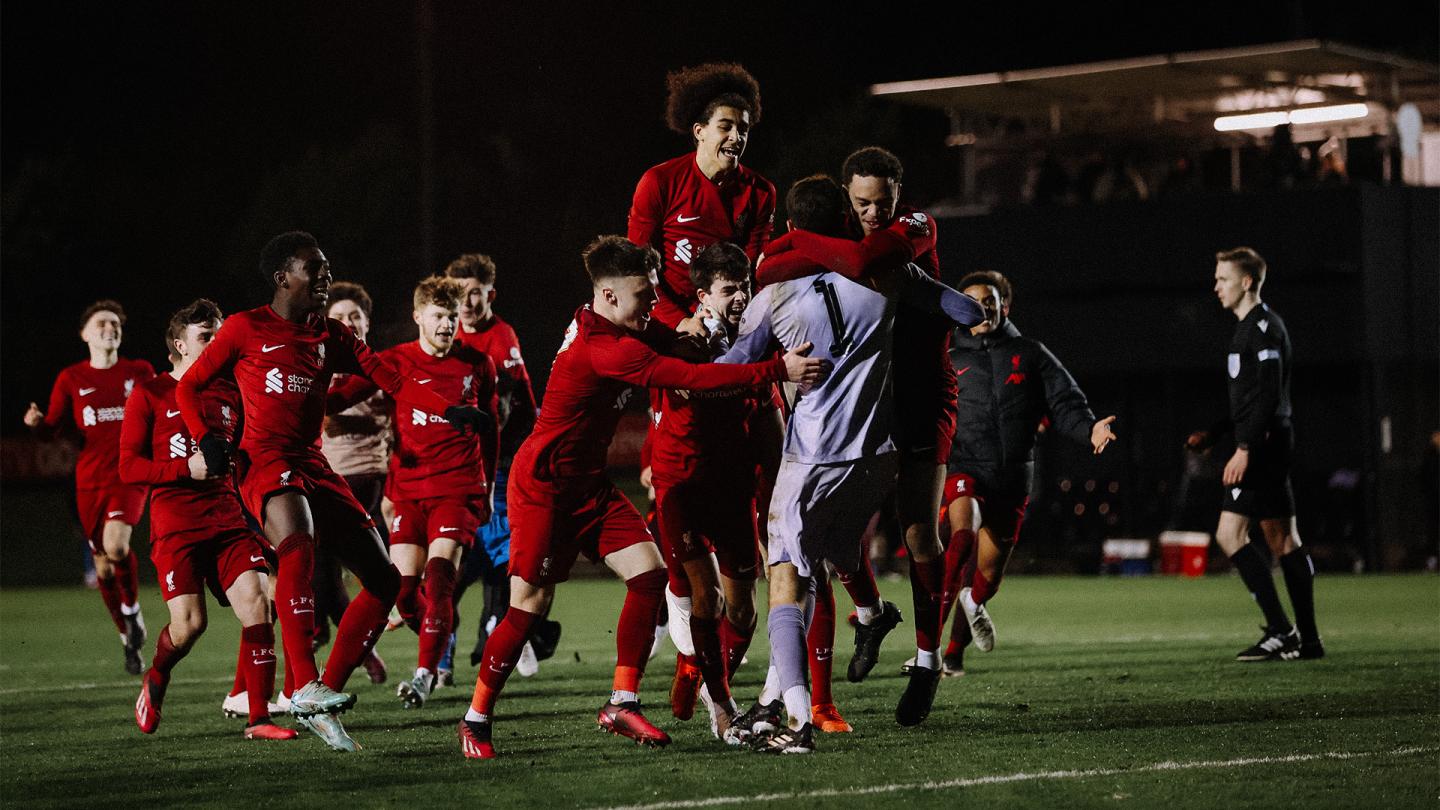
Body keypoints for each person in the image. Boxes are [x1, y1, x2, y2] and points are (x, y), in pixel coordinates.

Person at [457, 235, 829, 759]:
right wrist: (775, 369)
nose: (654, 303)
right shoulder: (607, 348)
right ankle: (475, 719)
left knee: (650, 574)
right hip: (545, 489)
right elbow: (687, 375)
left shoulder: (614, 322)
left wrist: (696, 333)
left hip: (588, 483)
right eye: (644, 295)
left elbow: (672, 341)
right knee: (529, 606)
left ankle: (622, 701)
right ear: (610, 296)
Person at [177, 230, 487, 751]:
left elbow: (392, 378)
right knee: (297, 544)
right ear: (283, 278)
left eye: (326, 268)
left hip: (312, 463)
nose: (325, 276)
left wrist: (448, 409)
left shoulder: (332, 335)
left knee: (385, 581)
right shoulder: (245, 328)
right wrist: (205, 437)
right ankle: (302, 684)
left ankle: (323, 698)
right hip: (264, 461)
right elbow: (189, 385)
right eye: (314, 268)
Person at [725, 176, 982, 752]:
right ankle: (857, 626)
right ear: (845, 216)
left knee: (787, 575)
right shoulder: (887, 278)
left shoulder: (774, 295)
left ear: (793, 228)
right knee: (830, 554)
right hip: (876, 459)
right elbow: (966, 309)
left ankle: (794, 719)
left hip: (814, 458)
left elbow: (730, 367)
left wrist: (699, 346)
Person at [756, 147, 950, 702]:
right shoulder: (841, 233)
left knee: (918, 529)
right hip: (864, 401)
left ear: (898, 194)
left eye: (882, 201)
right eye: (862, 203)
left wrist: (793, 240)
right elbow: (769, 272)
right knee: (834, 537)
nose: (873, 213)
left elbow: (862, 261)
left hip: (921, 396)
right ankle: (867, 616)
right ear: (847, 198)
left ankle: (927, 661)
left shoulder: (915, 226)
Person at [627, 60, 785, 724]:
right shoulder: (661, 183)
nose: (735, 137)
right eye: (725, 125)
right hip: (679, 349)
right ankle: (686, 623)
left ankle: (773, 527)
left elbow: (758, 273)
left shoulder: (760, 193)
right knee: (681, 477)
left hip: (739, 352)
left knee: (768, 456)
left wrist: (745, 332)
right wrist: (680, 324)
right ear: (698, 128)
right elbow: (637, 269)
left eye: (743, 128)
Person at [121, 299, 297, 741]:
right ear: (180, 345)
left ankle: (258, 719)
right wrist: (185, 469)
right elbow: (128, 467)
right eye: (206, 337)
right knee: (190, 625)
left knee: (258, 602)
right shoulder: (150, 393)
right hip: (176, 527)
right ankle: (157, 676)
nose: (217, 343)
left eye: (220, 335)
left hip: (227, 521)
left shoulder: (230, 392)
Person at [934, 271, 1117, 676]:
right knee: (962, 534)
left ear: (1004, 307)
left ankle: (955, 648)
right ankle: (926, 648)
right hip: (964, 466)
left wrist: (1089, 428)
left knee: (987, 575)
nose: (982, 309)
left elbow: (1065, 401)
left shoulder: (1030, 353)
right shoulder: (947, 357)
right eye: (972, 302)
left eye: (989, 301)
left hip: (1013, 477)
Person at [330, 276, 499, 709]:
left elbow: (490, 429)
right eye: (439, 316)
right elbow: (341, 398)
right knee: (403, 593)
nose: (448, 325)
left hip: (458, 489)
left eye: (452, 317)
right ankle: (437, 634)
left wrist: (490, 485)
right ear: (418, 316)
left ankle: (425, 674)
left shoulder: (478, 364)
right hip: (408, 492)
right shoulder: (395, 361)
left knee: (440, 577)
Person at [651, 242, 772, 738]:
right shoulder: (683, 342)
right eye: (728, 290)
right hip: (682, 486)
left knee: (744, 611)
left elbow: (765, 413)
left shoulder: (758, 339)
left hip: (734, 487)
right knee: (709, 598)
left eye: (745, 287)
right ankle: (722, 707)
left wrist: (775, 488)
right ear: (702, 296)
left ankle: (698, 671)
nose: (740, 297)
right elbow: (695, 386)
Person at [1188, 247, 1321, 662]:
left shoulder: (1263, 328)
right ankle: (1308, 641)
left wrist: (1244, 447)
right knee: (1283, 539)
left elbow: (1268, 395)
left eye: (1223, 279)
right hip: (1265, 441)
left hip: (1264, 445)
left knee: (1231, 535)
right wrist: (1216, 433)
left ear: (1247, 282)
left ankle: (1282, 630)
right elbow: (1250, 401)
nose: (1216, 286)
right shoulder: (1247, 328)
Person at [24, 300, 155, 674]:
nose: (109, 328)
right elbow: (52, 430)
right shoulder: (71, 378)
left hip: (129, 474)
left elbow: (161, 410)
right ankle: (128, 638)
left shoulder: (139, 372)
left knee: (116, 546)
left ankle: (131, 610)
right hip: (89, 481)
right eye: (101, 323)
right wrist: (37, 424)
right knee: (103, 568)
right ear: (84, 334)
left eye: (115, 324)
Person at [443, 253, 550, 681]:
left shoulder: (500, 337)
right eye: (458, 294)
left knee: (504, 555)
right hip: (455, 467)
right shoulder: (444, 333)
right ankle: (444, 652)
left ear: (491, 294)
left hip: (501, 465)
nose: (466, 303)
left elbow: (513, 404)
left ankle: (503, 630)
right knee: (451, 560)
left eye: (475, 293)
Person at [317, 281, 389, 684]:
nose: (348, 323)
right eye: (339, 317)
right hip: (321, 483)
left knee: (382, 579)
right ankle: (359, 649)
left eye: (355, 316)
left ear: (367, 322)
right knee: (323, 579)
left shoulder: (379, 367)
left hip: (369, 482)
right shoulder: (314, 367)